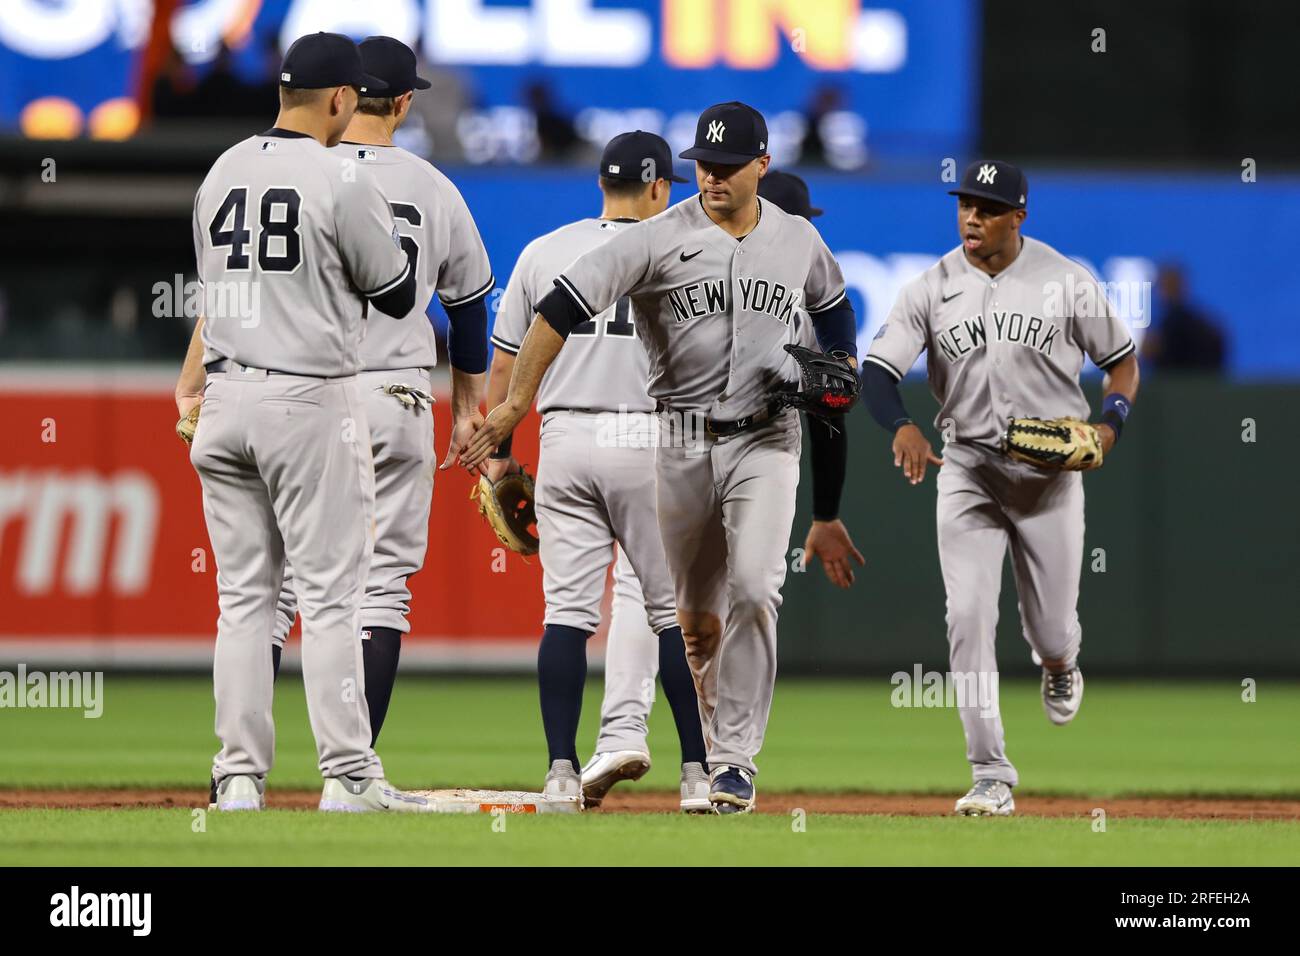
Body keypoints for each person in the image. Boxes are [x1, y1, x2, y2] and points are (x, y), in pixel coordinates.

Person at [462, 102, 860, 814]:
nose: (710, 176)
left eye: (727, 166)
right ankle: (668, 746)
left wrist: (842, 358)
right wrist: (517, 403)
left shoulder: (797, 239)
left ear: (761, 167)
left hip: (766, 437)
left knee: (756, 589)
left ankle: (730, 763)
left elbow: (833, 304)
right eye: (702, 164)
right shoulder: (658, 236)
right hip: (674, 437)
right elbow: (560, 308)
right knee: (688, 616)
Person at [176, 32, 431, 813]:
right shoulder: (340, 177)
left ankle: (240, 777)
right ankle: (349, 776)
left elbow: (215, 292)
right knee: (330, 597)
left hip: (225, 399)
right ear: (342, 100)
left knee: (245, 599)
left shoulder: (221, 170)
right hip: (307, 399)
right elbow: (395, 293)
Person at [860, 159, 1140, 816]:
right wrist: (900, 424)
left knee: (1049, 631)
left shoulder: (1066, 280)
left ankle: (1060, 663)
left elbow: (1122, 362)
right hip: (967, 469)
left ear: (1019, 215)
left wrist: (1110, 427)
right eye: (965, 205)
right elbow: (877, 371)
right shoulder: (930, 287)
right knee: (966, 617)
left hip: (1050, 476)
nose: (972, 218)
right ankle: (990, 773)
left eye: (987, 208)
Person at [268, 35, 494, 746]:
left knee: (271, 590)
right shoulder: (433, 185)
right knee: (383, 588)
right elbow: (470, 308)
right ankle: (354, 770)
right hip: (396, 397)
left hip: (302, 391)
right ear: (401, 103)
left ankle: (240, 770)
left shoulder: (297, 172)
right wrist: (468, 413)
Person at [486, 131, 710, 811]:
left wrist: (500, 457)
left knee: (567, 615)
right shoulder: (679, 252)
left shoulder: (543, 251)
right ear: (659, 188)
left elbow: (503, 371)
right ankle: (698, 777)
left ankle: (559, 771)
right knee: (669, 614)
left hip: (566, 437)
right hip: (648, 438)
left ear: (602, 182)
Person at [1139, 265, 1227, 372]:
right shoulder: (1200, 323)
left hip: (1180, 383)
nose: (1162, 291)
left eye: (1168, 285)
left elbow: (1150, 352)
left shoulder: (1182, 323)